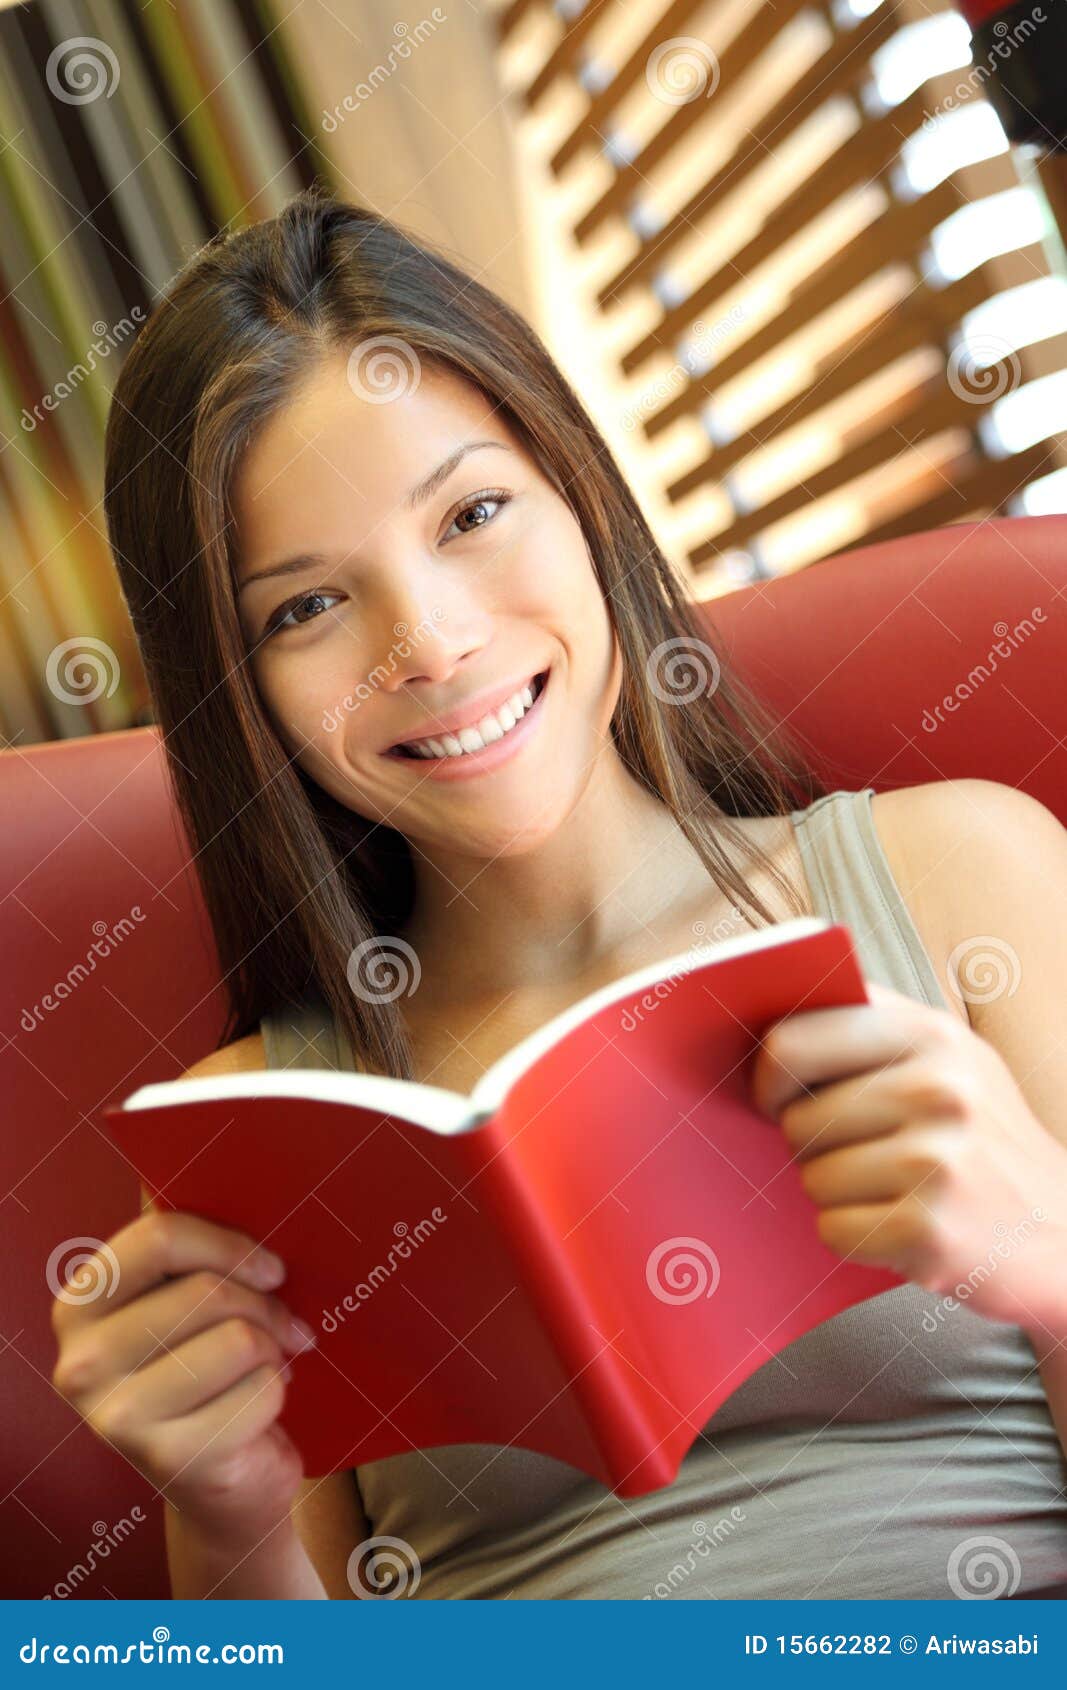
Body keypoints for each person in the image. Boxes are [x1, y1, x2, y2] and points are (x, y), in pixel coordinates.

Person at [51, 187, 1067, 1600]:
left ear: (578, 492)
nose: (432, 640)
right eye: (304, 606)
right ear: (243, 696)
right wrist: (225, 1519)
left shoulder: (962, 873)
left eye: (471, 512)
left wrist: (1052, 1257)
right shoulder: (263, 1127)